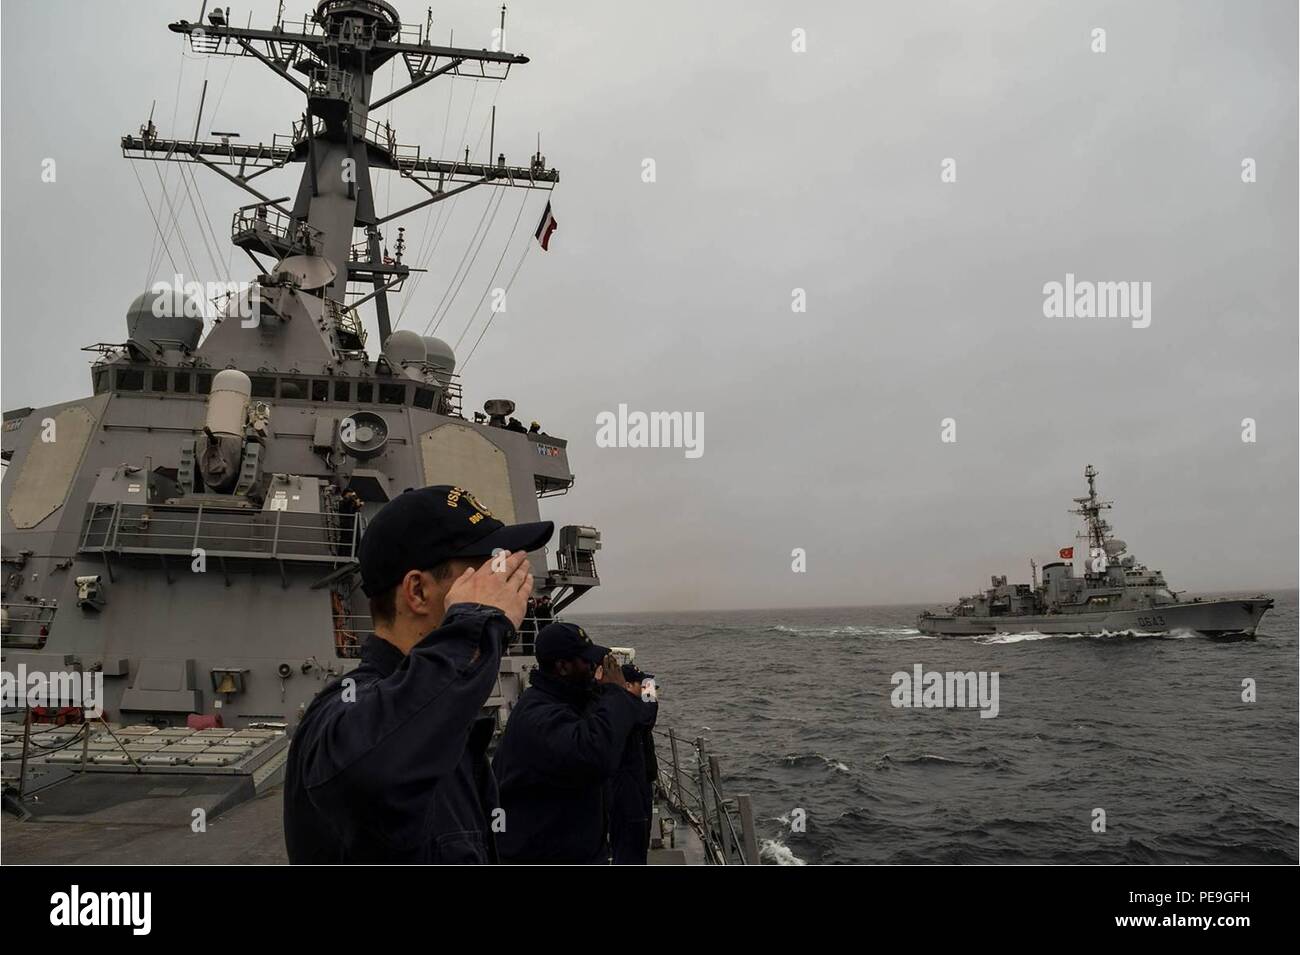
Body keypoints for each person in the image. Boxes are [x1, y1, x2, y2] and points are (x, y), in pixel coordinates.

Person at [283, 484, 553, 863]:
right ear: (418, 592)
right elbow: (369, 767)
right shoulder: (343, 712)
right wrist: (475, 623)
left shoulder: (442, 720)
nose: (507, 582)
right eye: (486, 573)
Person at [492, 623, 644, 863]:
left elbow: (633, 719)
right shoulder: (537, 716)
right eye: (586, 661)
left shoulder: (567, 702)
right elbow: (595, 756)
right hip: (544, 855)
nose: (594, 667)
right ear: (562, 666)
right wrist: (616, 693)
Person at [608, 664, 659, 864]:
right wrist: (651, 692)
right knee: (630, 848)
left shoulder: (626, 707)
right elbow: (647, 717)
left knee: (636, 845)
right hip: (628, 792)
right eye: (642, 684)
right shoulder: (625, 710)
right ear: (628, 686)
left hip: (638, 786)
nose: (646, 687)